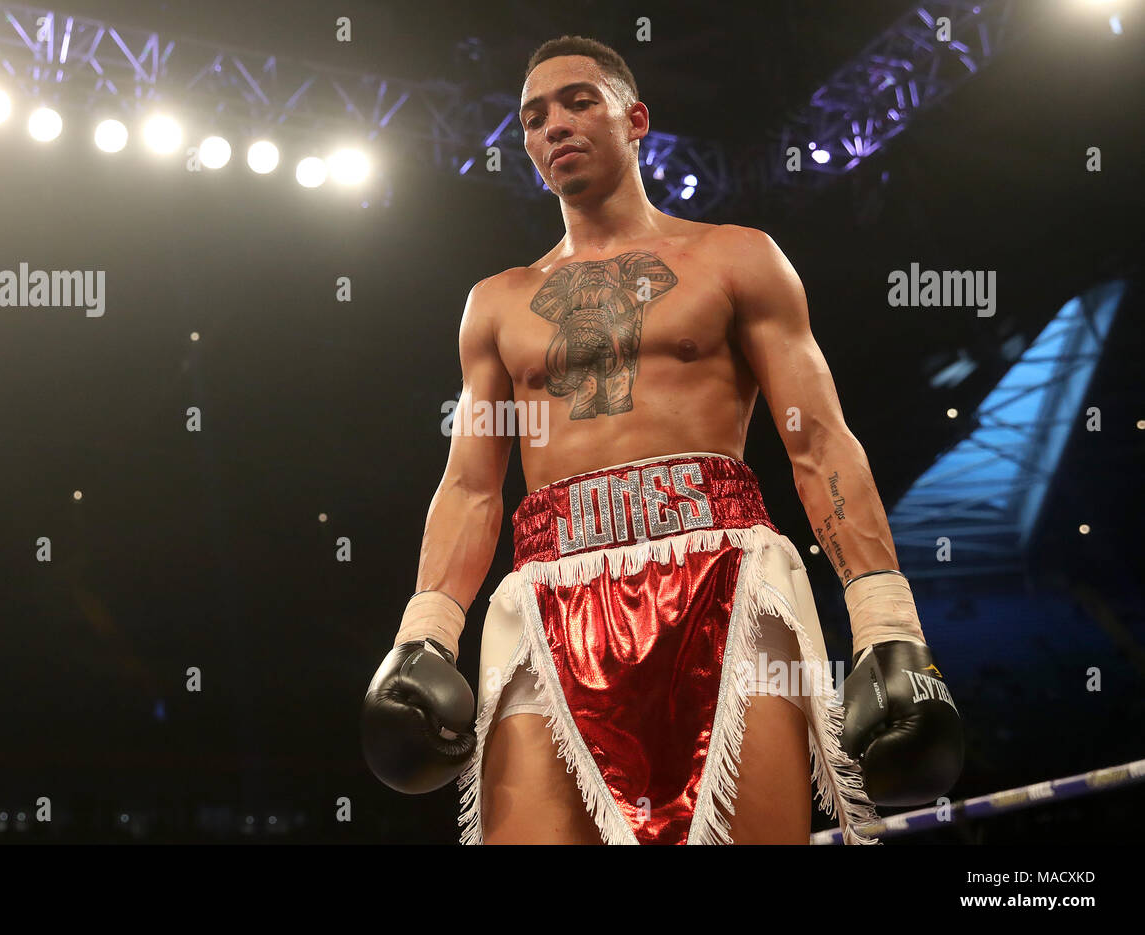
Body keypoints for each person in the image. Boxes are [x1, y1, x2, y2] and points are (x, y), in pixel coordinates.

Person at [362, 35, 962, 845]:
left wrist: (888, 623)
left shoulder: (735, 257)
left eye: (579, 100)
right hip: (547, 598)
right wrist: (422, 635)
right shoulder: (496, 304)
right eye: (534, 116)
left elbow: (817, 442)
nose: (555, 125)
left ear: (635, 118)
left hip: (728, 581)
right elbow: (471, 486)